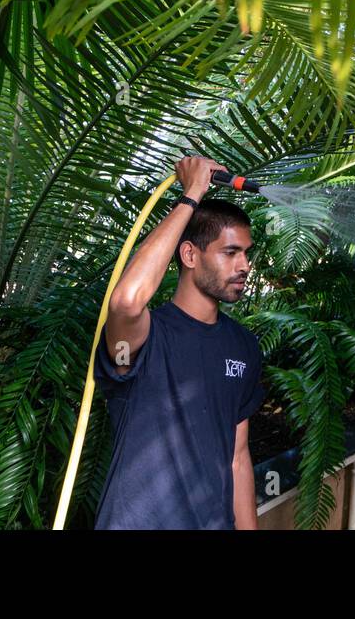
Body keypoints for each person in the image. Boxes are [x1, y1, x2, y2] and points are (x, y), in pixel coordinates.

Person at [92, 155, 266, 529]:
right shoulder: (143, 337)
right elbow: (125, 300)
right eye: (230, 252)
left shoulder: (244, 347)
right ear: (189, 254)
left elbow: (237, 457)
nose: (244, 266)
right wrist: (191, 195)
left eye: (246, 254)